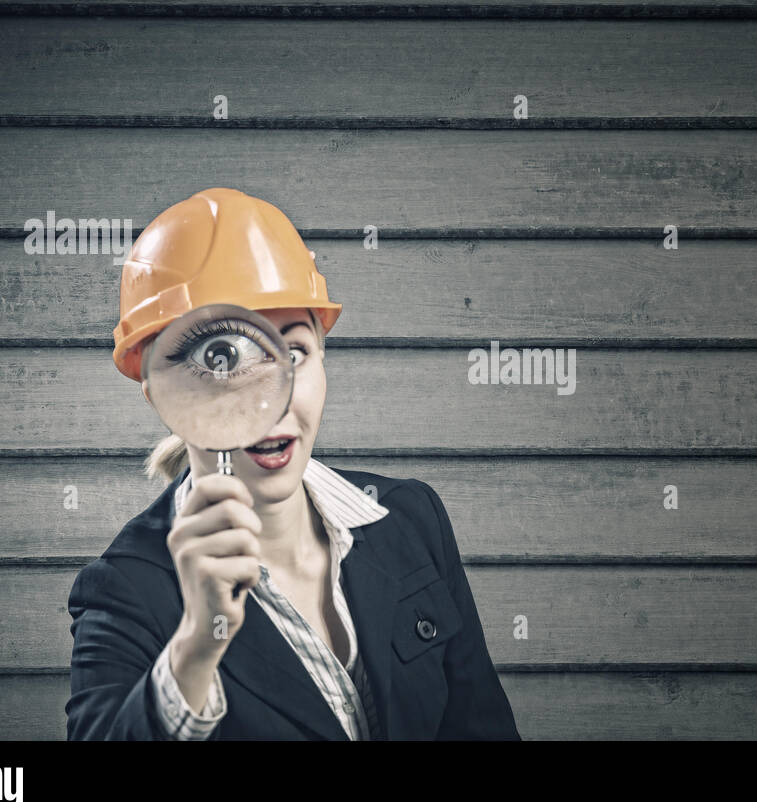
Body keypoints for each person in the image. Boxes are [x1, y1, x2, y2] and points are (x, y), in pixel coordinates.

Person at [66, 187, 520, 740]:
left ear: (323, 359)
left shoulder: (411, 519)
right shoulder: (125, 588)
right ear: (162, 392)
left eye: (294, 351)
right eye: (224, 359)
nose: (273, 399)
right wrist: (194, 649)